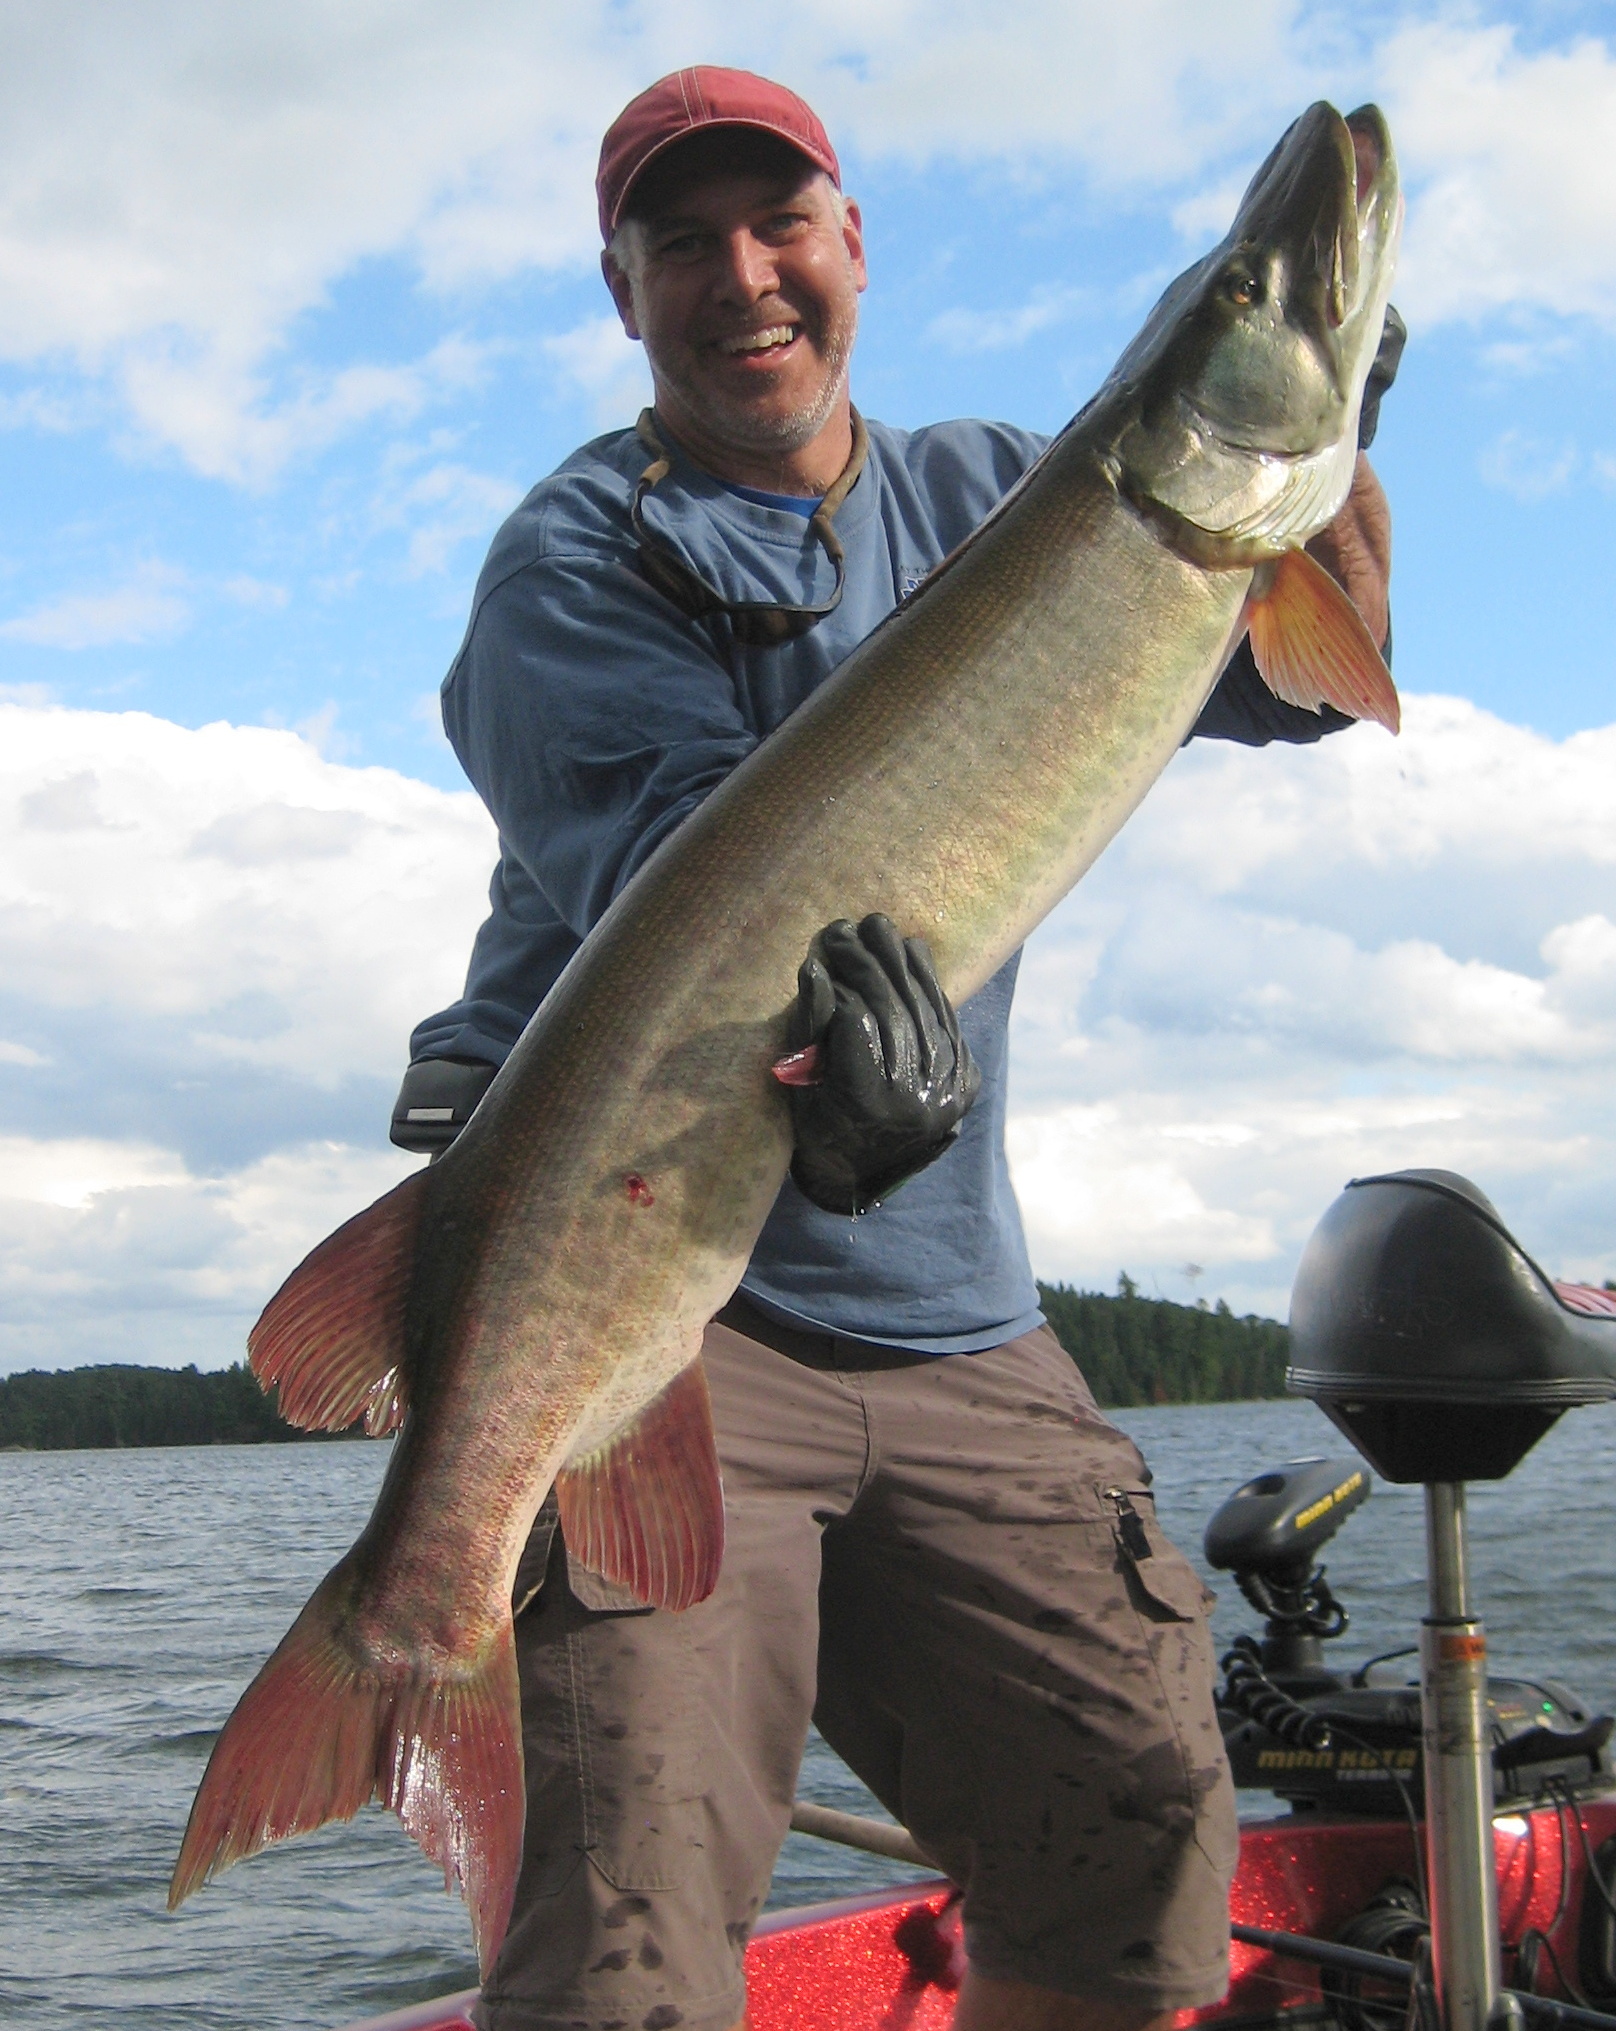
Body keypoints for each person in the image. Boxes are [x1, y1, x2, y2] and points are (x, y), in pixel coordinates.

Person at [392, 67, 1396, 2031]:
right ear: (625, 294)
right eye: (683, 242)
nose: (741, 275)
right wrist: (822, 1084)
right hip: (656, 1315)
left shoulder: (1000, 493)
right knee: (625, 1952)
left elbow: (1300, 679)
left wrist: (1338, 436)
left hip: (948, 1304)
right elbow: (705, 909)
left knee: (1131, 1837)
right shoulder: (573, 562)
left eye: (781, 225)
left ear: (854, 244)